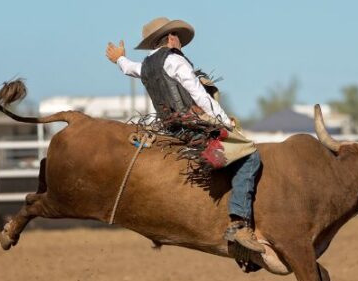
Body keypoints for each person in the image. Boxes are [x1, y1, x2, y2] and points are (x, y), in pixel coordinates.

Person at [105, 17, 265, 254]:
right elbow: (199, 94)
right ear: (170, 38)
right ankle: (239, 223)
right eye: (177, 35)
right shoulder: (175, 61)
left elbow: (129, 68)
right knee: (250, 157)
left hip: (169, 129)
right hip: (193, 127)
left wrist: (119, 57)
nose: (180, 40)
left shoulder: (148, 64)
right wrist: (225, 122)